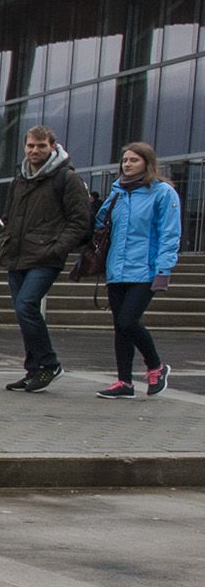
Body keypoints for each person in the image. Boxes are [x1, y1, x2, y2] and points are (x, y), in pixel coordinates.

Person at [0, 124, 92, 392]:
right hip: (17, 255)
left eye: (41, 146)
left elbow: (80, 221)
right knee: (24, 312)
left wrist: (56, 248)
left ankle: (49, 363)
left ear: (52, 147)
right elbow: (8, 216)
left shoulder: (66, 179)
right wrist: (5, 241)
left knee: (26, 305)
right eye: (30, 146)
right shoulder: (20, 179)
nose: (35, 151)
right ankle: (34, 369)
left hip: (45, 256)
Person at [93, 140, 181, 398]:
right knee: (120, 327)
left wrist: (163, 269)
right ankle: (124, 382)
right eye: (125, 160)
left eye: (134, 160)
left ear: (147, 163)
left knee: (128, 321)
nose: (127, 165)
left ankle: (156, 366)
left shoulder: (162, 193)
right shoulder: (117, 193)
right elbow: (102, 225)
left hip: (145, 270)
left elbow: (170, 233)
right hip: (116, 270)